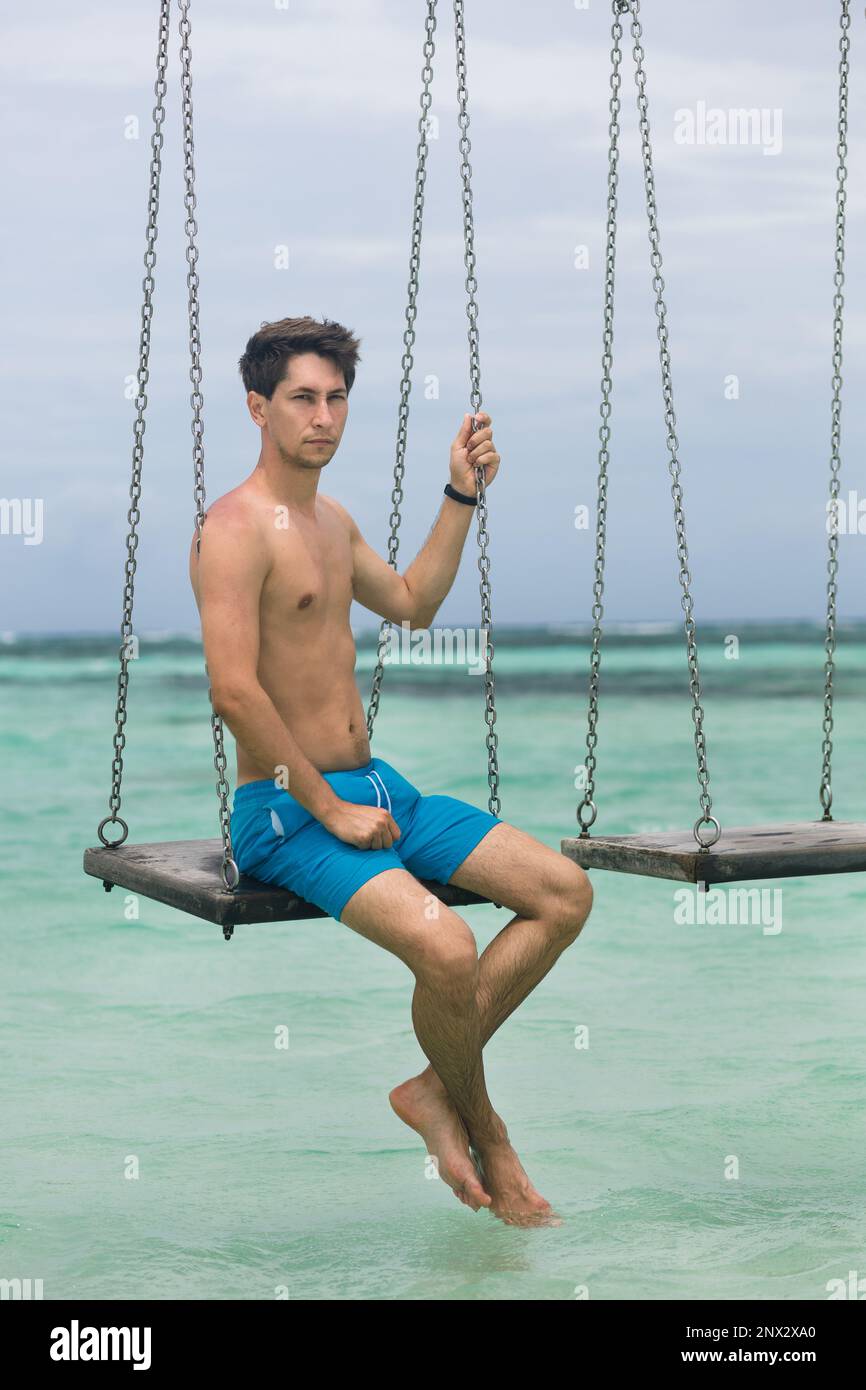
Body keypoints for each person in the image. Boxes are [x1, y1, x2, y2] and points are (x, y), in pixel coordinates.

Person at [189, 315, 593, 1226]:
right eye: (302, 398)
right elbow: (233, 692)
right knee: (447, 945)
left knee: (562, 892)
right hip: (287, 809)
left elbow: (413, 603)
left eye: (335, 398)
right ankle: (487, 1132)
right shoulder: (233, 528)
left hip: (378, 788)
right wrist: (326, 808)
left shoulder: (332, 522)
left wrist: (459, 496)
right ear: (259, 407)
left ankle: (429, 1091)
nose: (322, 417)